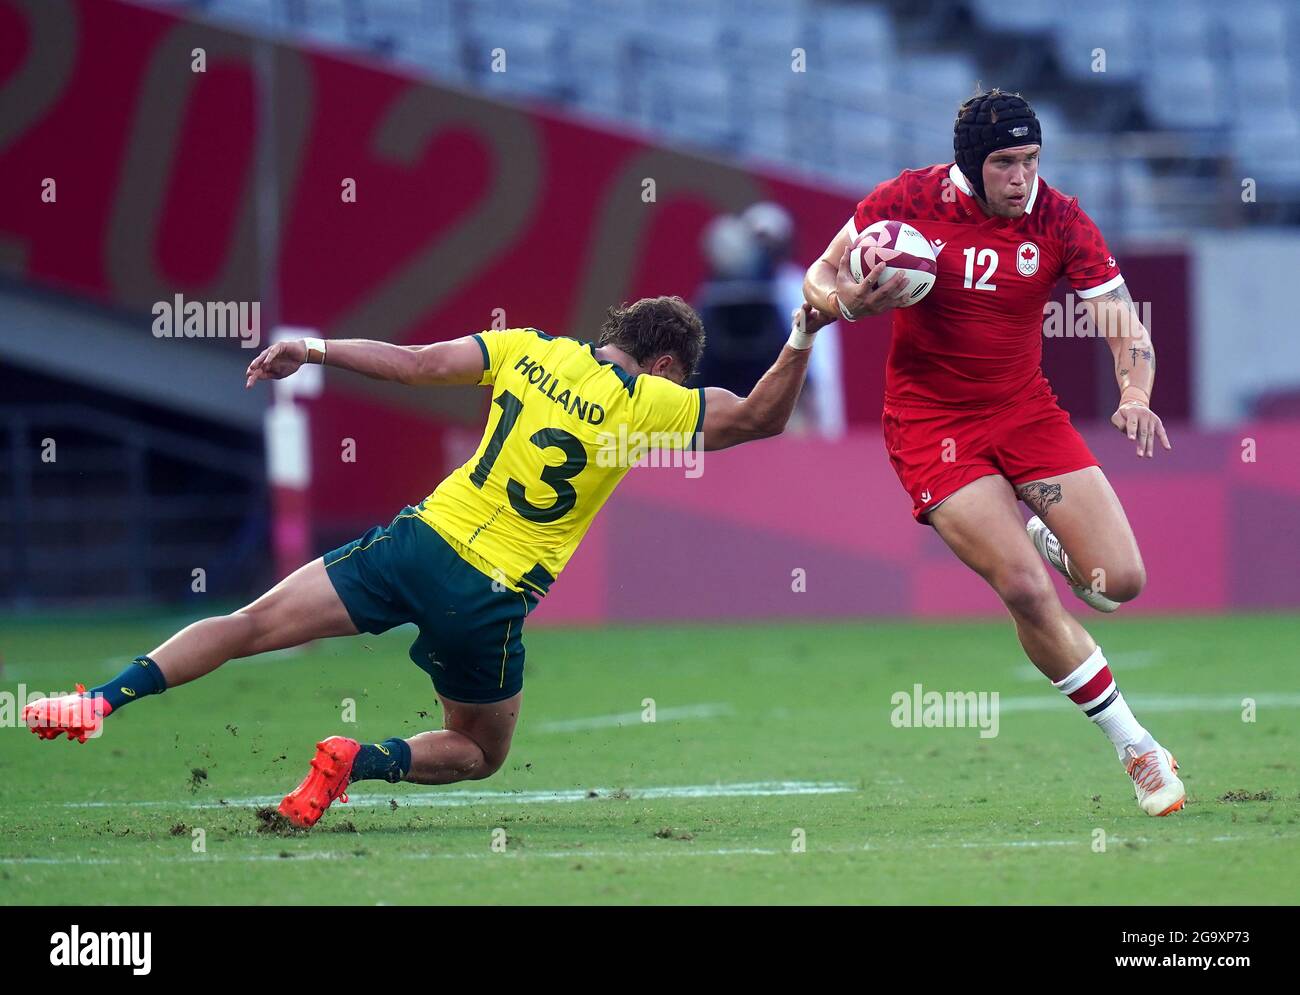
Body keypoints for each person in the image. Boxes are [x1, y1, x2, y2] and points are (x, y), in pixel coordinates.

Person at [24, 296, 831, 827]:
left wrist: (310, 348)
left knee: (245, 623)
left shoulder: (527, 349)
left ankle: (100, 699)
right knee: (478, 751)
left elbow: (411, 364)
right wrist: (803, 332)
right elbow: (760, 418)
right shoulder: (653, 400)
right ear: (663, 367)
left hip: (419, 541)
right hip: (488, 595)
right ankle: (353, 760)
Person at [802, 89, 1183, 817]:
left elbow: (1123, 324)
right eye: (1005, 163)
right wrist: (847, 302)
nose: (1022, 177)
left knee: (1119, 581)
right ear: (971, 167)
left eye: (1031, 159)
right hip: (930, 423)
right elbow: (819, 277)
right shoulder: (904, 202)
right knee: (1025, 587)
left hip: (1023, 411)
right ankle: (1135, 746)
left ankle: (1040, 523)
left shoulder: (1060, 216)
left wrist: (1135, 393)